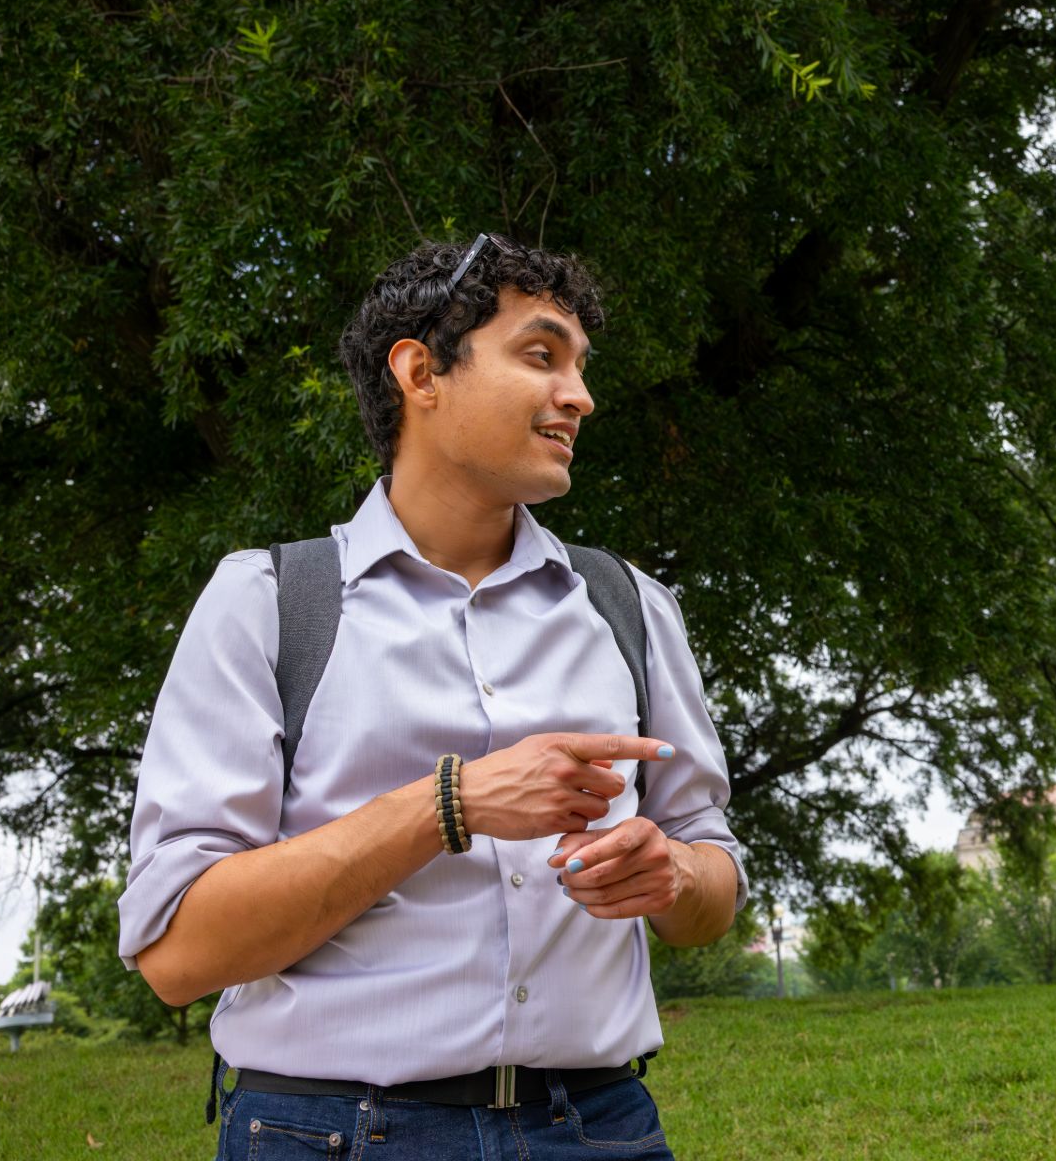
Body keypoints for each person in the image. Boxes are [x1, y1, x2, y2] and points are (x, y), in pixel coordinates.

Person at [118, 234, 745, 1160]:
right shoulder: (268, 604)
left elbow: (712, 881)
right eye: (541, 355)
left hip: (599, 1128)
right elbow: (178, 956)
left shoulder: (630, 607)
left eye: (581, 367)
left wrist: (676, 875)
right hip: (330, 1135)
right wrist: (450, 804)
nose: (579, 395)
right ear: (420, 373)